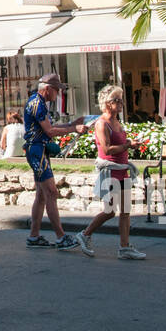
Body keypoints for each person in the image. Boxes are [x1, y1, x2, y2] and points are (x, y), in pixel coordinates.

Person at [77, 85, 146, 260]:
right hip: (111, 171)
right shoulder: (102, 124)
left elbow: (121, 143)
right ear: (107, 104)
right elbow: (107, 149)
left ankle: (124, 247)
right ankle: (85, 234)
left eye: (121, 100)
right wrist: (128, 145)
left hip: (122, 169)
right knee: (110, 211)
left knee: (125, 210)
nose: (121, 103)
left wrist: (131, 142)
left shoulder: (116, 122)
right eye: (117, 100)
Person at [24, 74, 85, 249]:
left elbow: (49, 129)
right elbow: (50, 131)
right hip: (37, 151)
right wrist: (74, 128)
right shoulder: (37, 104)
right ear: (47, 89)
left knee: (42, 194)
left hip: (38, 150)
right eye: (57, 90)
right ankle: (60, 236)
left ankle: (34, 236)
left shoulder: (39, 102)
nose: (58, 94)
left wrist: (72, 125)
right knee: (51, 193)